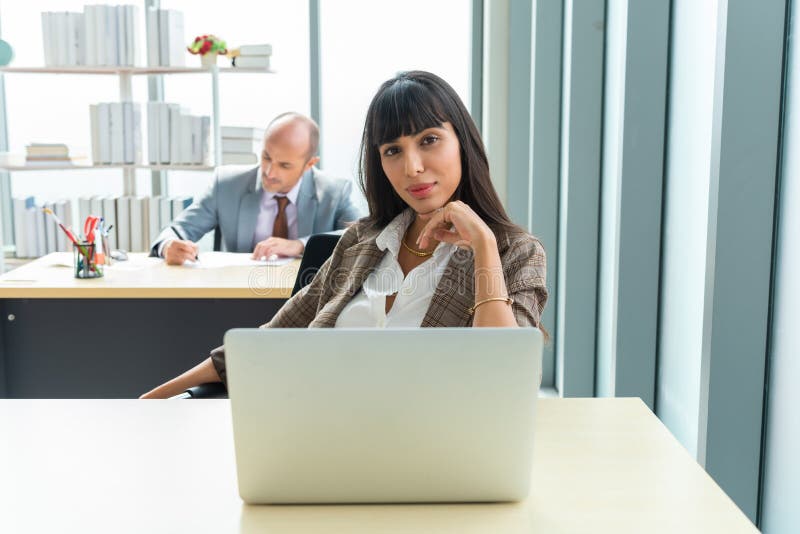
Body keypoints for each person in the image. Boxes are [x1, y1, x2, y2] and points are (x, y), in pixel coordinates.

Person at [141, 71, 548, 399]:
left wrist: (484, 245)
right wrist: (151, 402)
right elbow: (267, 344)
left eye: (429, 141)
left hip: (432, 455)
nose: (412, 167)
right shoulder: (361, 242)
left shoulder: (515, 254)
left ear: (464, 143)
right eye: (392, 150)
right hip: (318, 439)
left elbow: (505, 381)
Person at [150, 112, 364, 265]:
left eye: (284, 165)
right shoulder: (227, 185)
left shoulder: (334, 191)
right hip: (240, 298)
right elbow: (175, 231)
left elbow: (362, 237)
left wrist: (300, 245)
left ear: (309, 164)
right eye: (266, 157)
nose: (269, 172)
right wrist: (168, 246)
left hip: (307, 300)